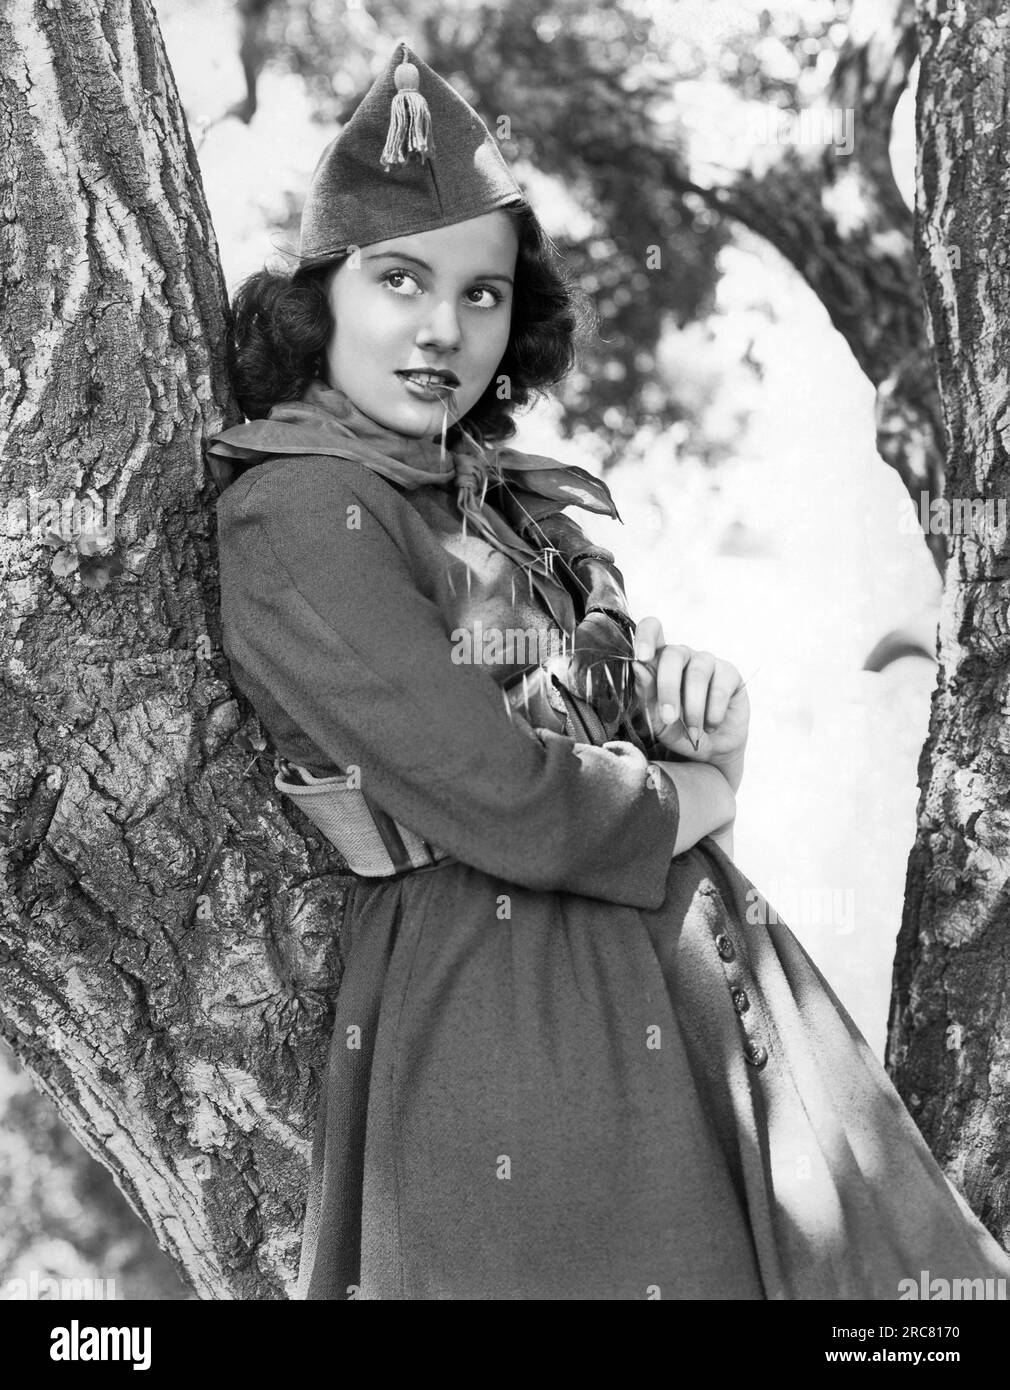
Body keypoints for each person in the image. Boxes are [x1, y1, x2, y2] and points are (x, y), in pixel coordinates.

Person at [207, 38, 1010, 1300]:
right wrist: (705, 794)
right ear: (322, 298)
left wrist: (706, 722)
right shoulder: (298, 512)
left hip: (689, 984)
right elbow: (513, 797)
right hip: (508, 1016)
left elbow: (604, 716)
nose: (442, 328)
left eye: (482, 295)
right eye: (398, 280)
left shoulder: (509, 508)